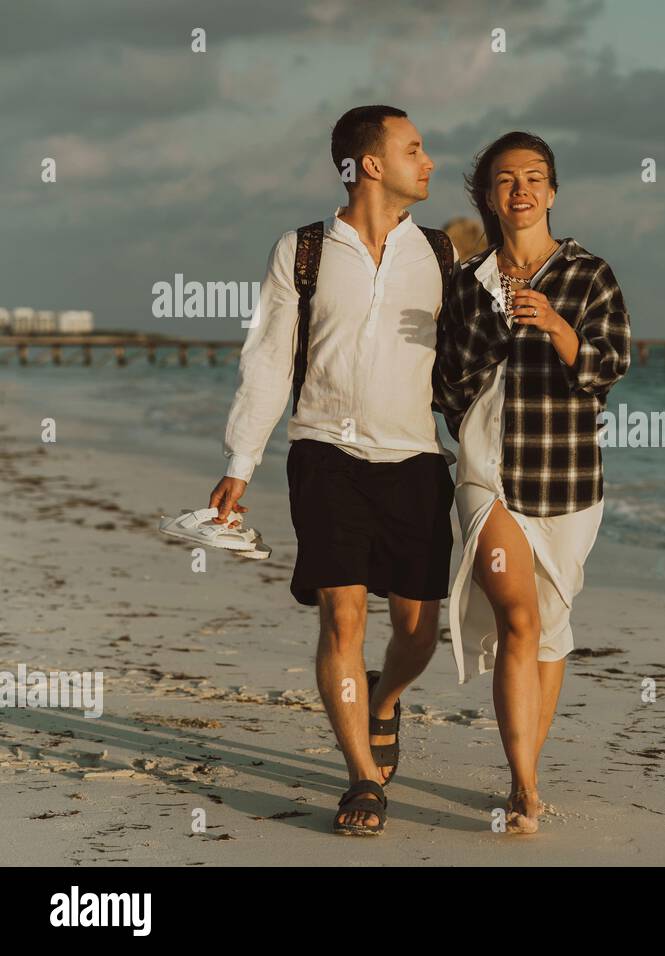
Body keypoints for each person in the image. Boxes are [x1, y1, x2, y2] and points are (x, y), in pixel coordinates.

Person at [210, 105, 458, 836]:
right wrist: (241, 461)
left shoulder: (441, 255)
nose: (430, 161)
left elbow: (473, 370)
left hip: (415, 459)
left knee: (417, 634)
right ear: (372, 163)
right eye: (415, 148)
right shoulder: (303, 251)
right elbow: (267, 361)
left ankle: (383, 701)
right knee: (342, 615)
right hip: (325, 454)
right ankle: (360, 780)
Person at [433, 131, 631, 833]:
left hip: (567, 479)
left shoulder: (589, 275)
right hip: (486, 474)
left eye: (534, 178)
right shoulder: (466, 283)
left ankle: (527, 771)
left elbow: (609, 367)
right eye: (506, 180)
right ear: (488, 196)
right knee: (519, 617)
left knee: (547, 631)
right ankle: (522, 788)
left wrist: (553, 324)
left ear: (552, 190)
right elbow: (447, 386)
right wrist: (490, 336)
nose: (521, 191)